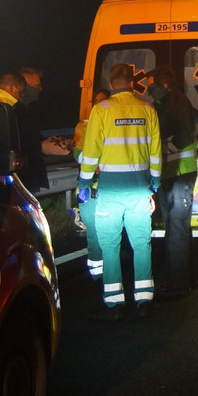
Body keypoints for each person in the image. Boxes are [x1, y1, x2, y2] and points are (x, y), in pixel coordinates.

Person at [78, 62, 162, 319]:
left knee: (110, 246)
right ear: (132, 83)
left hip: (110, 192)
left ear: (112, 84)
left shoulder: (101, 110)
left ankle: (114, 305)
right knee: (142, 245)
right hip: (139, 189)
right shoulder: (148, 109)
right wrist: (155, 185)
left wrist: (83, 183)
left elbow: (91, 151)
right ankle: (144, 301)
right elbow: (155, 153)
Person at [148, 66, 198, 298]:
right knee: (172, 228)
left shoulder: (179, 103)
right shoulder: (165, 103)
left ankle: (179, 282)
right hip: (169, 174)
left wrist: (162, 150)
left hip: (180, 173)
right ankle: (176, 277)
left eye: (153, 85)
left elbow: (183, 135)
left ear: (164, 85)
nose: (149, 90)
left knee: (177, 227)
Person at [75, 88, 110, 278]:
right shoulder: (83, 126)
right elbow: (77, 152)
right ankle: (97, 274)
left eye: (102, 101)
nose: (98, 105)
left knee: (111, 234)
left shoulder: (115, 125)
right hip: (91, 188)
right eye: (95, 101)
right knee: (94, 233)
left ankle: (111, 272)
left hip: (111, 187)